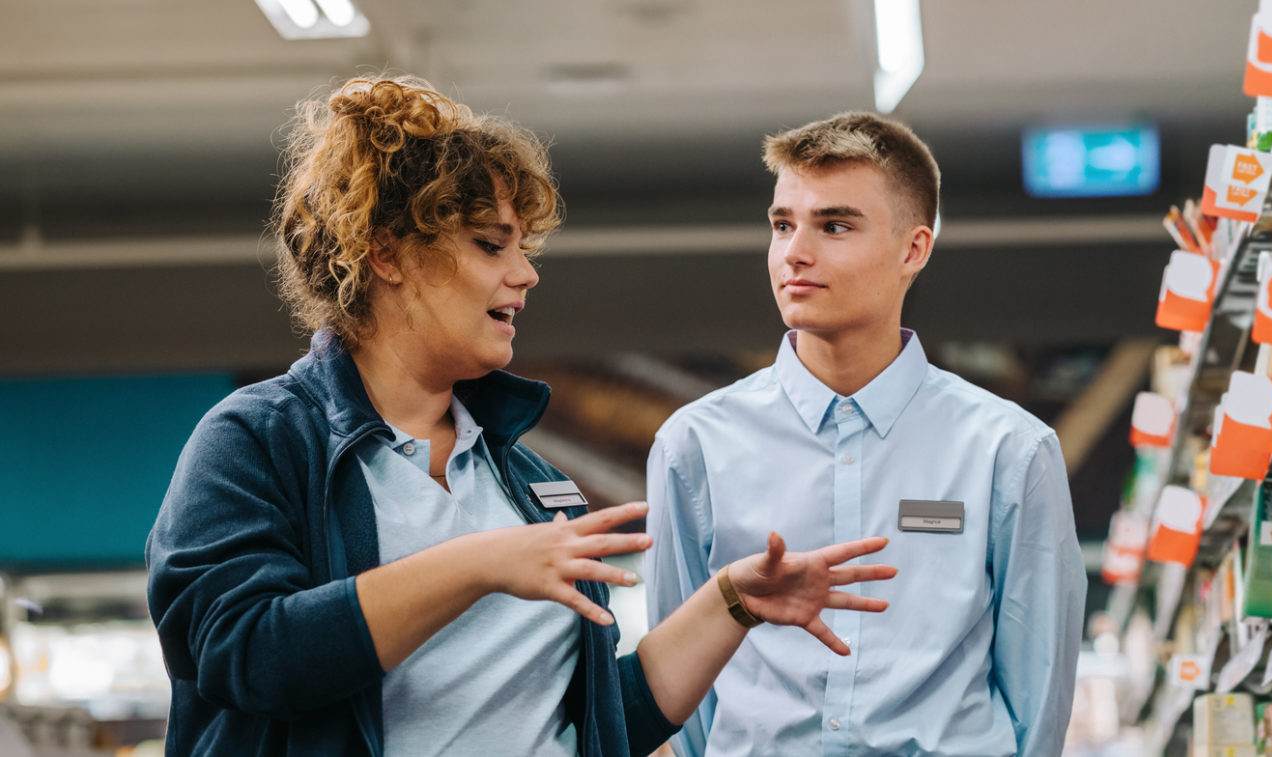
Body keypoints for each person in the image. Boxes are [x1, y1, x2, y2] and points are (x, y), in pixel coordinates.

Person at [144, 76, 897, 757]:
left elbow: (601, 722)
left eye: (523, 246)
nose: (525, 272)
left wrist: (732, 601)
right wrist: (478, 563)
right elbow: (245, 653)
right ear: (386, 254)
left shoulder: (527, 480)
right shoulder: (259, 440)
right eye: (489, 245)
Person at [644, 112, 1086, 757]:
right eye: (782, 224)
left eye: (835, 225)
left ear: (913, 249)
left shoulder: (1008, 450)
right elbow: (679, 677)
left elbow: (1038, 693)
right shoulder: (696, 445)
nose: (795, 251)